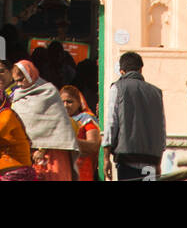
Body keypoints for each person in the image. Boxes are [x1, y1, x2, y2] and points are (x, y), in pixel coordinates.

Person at [10, 60, 79, 181]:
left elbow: (57, 124)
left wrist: (42, 149)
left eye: (22, 79)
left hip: (53, 153)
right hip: (27, 155)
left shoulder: (48, 92)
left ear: (30, 74)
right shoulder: (16, 97)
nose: (19, 84)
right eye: (16, 81)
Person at [104, 52, 166, 182]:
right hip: (151, 161)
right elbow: (161, 128)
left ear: (121, 71)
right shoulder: (156, 92)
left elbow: (111, 123)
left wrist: (106, 158)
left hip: (127, 159)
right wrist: (158, 163)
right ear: (140, 69)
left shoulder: (117, 88)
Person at [60, 85, 101, 180]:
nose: (65, 105)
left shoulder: (86, 119)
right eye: (62, 102)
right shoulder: (58, 121)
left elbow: (94, 145)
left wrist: (69, 142)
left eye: (69, 102)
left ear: (79, 103)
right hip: (63, 170)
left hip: (82, 170)